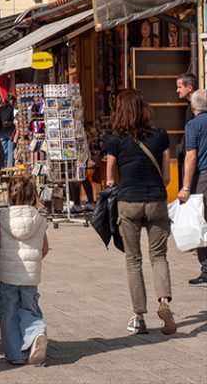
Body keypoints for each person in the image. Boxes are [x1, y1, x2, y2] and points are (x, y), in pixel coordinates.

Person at [106, 88, 177, 335]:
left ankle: (138, 316)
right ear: (144, 109)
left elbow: (110, 178)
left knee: (133, 260)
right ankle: (164, 302)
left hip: (129, 202)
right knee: (159, 256)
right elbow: (167, 176)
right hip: (156, 200)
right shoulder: (160, 136)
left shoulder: (115, 140)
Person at [0, 178, 49, 365]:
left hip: (8, 276)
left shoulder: (3, 218)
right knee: (29, 309)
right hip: (30, 276)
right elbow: (44, 249)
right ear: (33, 195)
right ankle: (36, 334)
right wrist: (33, 262)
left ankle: (15, 354)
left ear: (9, 195)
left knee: (8, 313)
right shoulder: (40, 220)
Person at [178, 88, 207, 288]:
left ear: (193, 106)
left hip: (203, 178)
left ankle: (206, 271)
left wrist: (186, 186)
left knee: (201, 224)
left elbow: (191, 156)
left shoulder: (193, 125)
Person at [175, 73, 197, 189]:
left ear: (189, 88)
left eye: (179, 87)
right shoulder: (190, 106)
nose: (177, 90)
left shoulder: (195, 108)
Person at [0, 94, 17, 168]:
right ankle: (9, 171)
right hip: (10, 131)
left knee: (4, 151)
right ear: (11, 100)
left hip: (1, 131)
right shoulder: (10, 108)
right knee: (11, 152)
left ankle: (4, 168)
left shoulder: (0, 108)